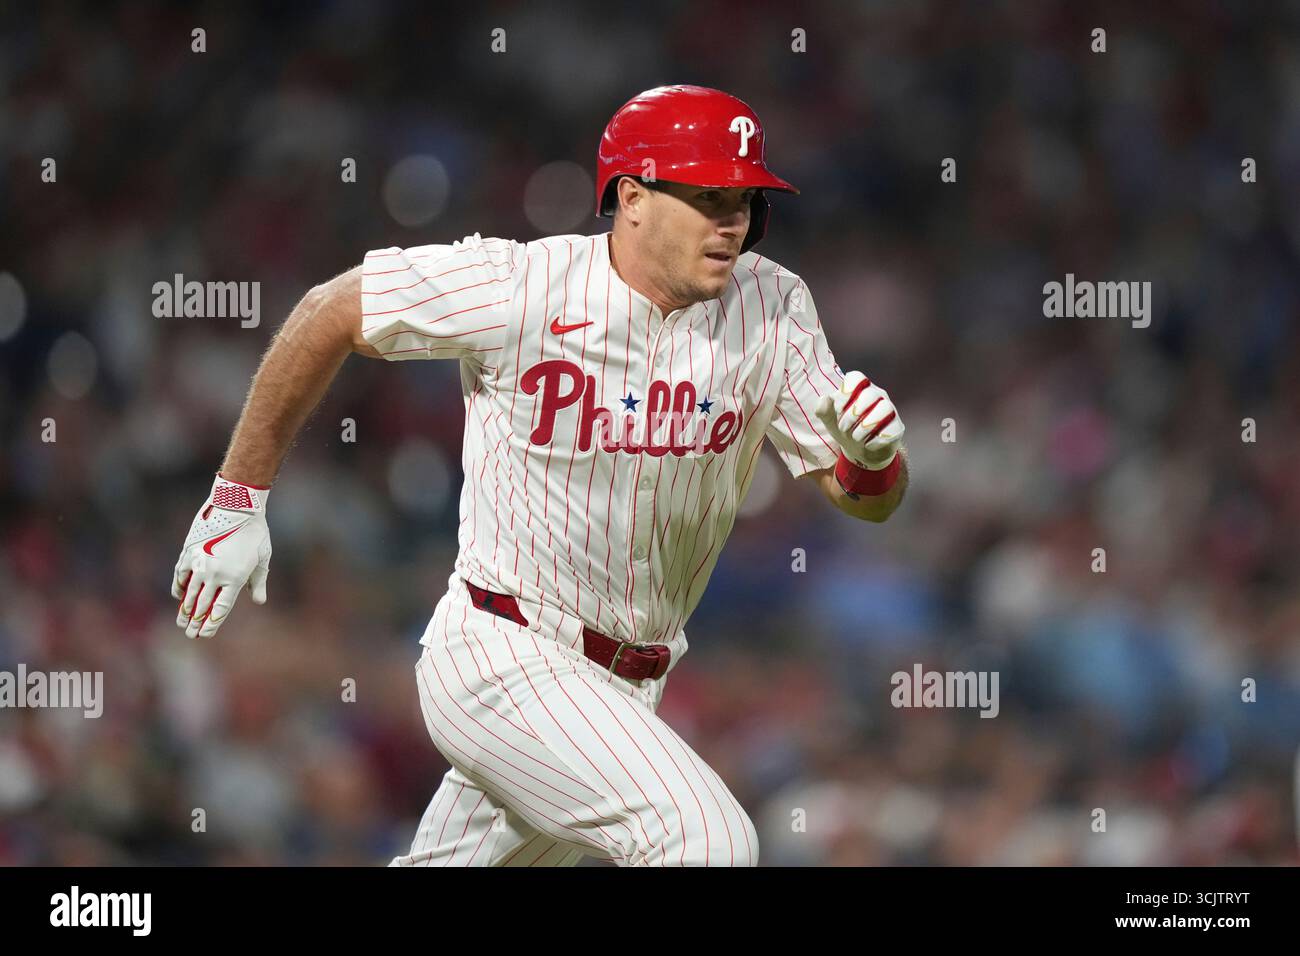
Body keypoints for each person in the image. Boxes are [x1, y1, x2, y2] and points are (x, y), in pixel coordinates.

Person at [171, 84, 908, 866]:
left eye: (748, 202)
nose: (733, 222)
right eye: (708, 196)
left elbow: (867, 501)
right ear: (631, 197)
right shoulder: (523, 286)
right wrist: (237, 497)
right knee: (705, 838)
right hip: (502, 654)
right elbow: (332, 309)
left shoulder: (772, 304)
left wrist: (869, 463)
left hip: (628, 685)